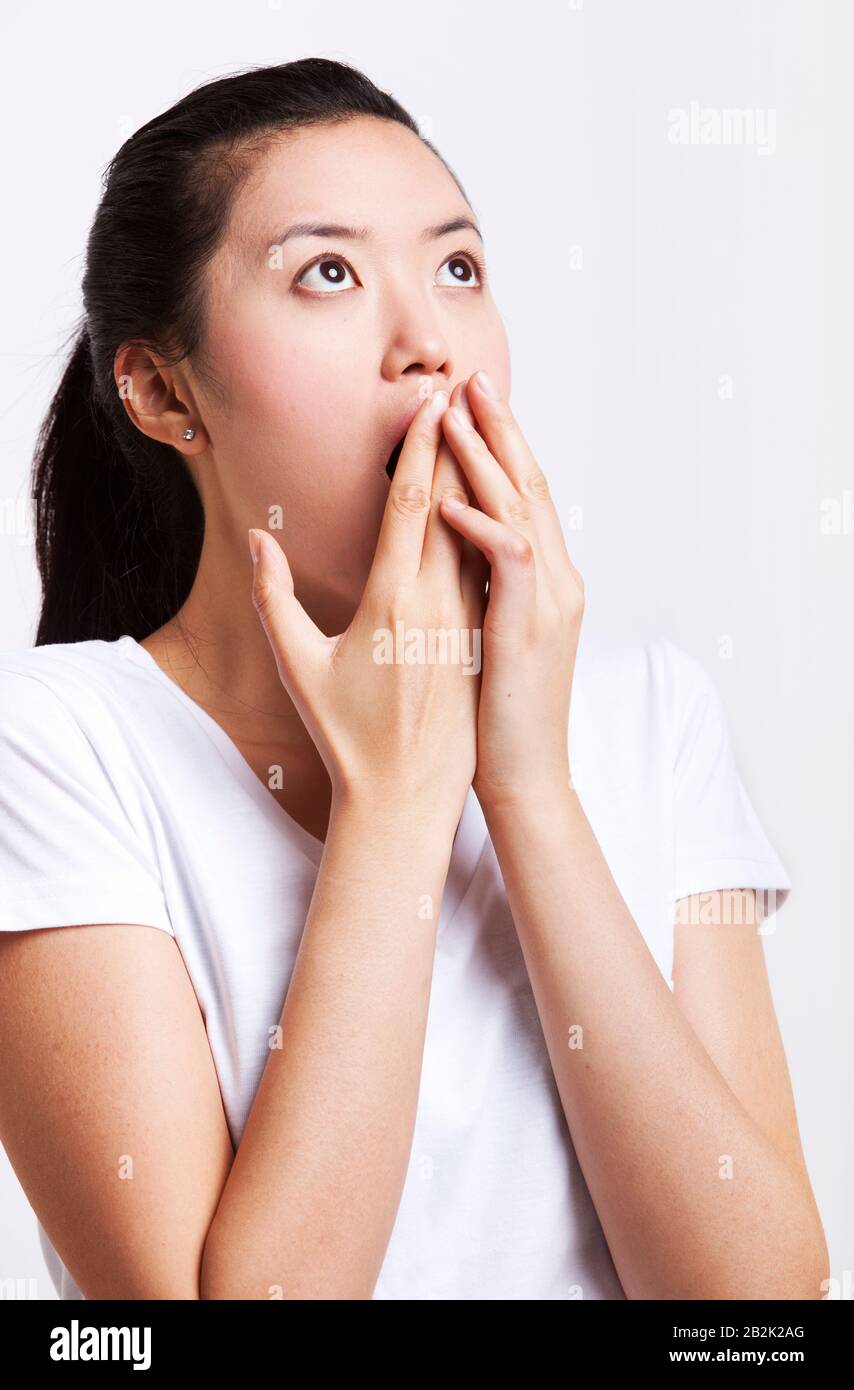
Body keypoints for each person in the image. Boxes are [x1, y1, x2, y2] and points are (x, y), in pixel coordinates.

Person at [0, 58, 827, 1301]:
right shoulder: (58, 746)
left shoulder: (650, 713)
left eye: (458, 269)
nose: (428, 344)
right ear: (165, 392)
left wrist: (528, 785)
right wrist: (394, 805)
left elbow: (759, 1311)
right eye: (327, 273)